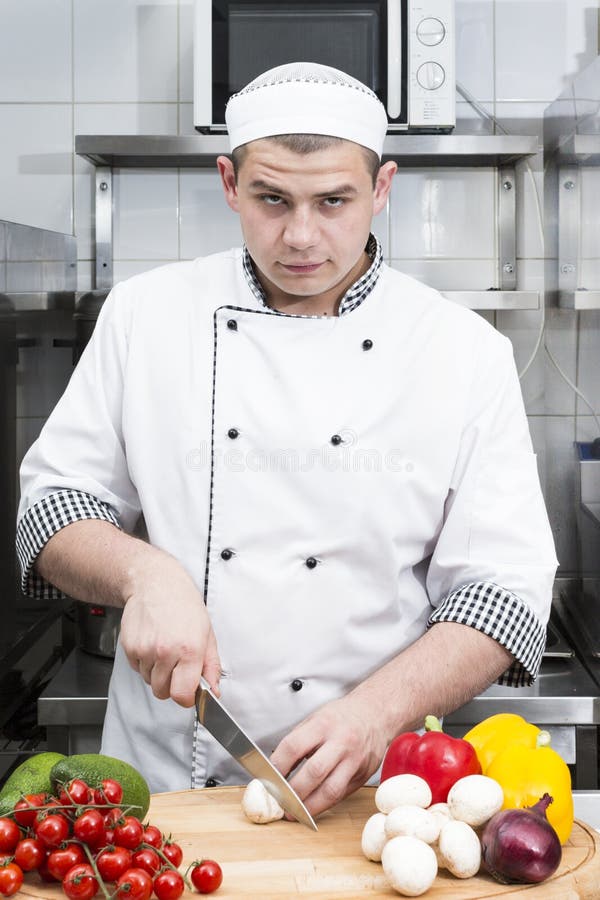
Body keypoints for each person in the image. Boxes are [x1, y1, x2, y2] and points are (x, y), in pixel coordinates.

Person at [17, 62, 557, 818]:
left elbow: (502, 590)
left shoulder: (463, 351)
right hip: (169, 785)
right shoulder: (147, 315)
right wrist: (145, 575)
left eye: (333, 201)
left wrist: (377, 713)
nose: (301, 236)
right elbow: (51, 508)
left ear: (382, 188)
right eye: (272, 199)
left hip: (374, 793)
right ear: (230, 185)